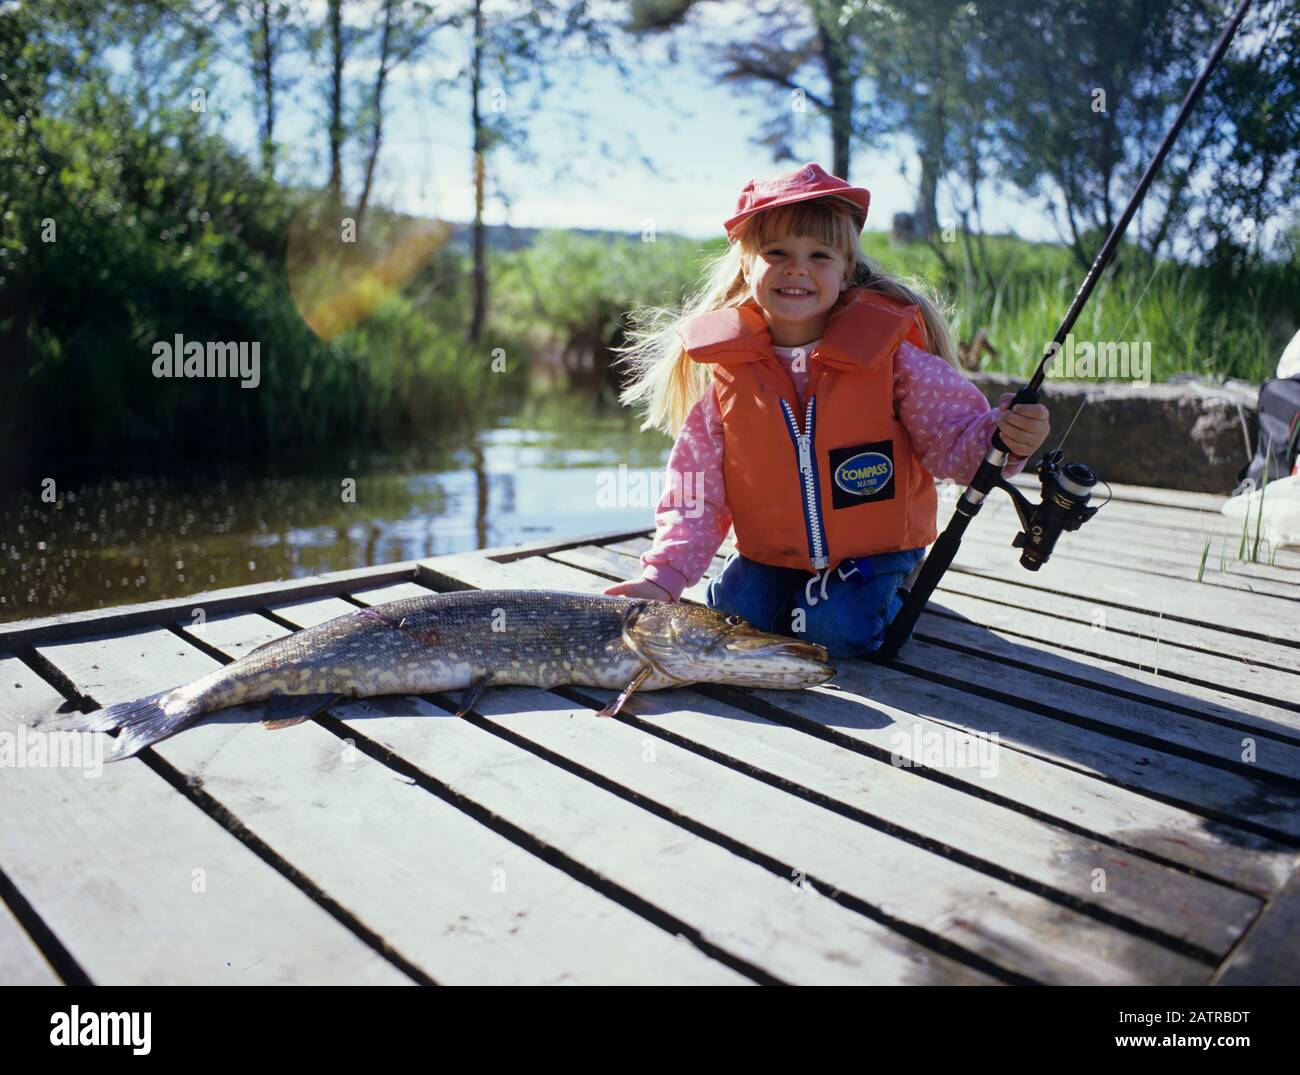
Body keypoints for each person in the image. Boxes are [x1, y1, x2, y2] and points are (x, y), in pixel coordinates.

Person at [602, 162, 1051, 657]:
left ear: (846, 270)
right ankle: (808, 600)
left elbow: (953, 444)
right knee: (733, 619)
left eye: (819, 255)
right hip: (775, 555)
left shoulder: (893, 361)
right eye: (777, 253)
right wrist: (661, 579)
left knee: (835, 630)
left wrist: (1002, 437)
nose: (798, 268)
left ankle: (896, 587)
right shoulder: (729, 375)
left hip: (874, 552)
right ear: (746, 265)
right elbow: (696, 494)